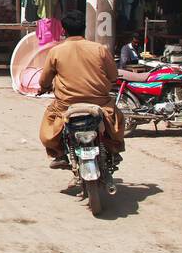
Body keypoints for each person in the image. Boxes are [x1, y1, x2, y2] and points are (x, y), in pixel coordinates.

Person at [38, 11, 126, 169]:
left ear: (64, 30)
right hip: (100, 103)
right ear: (84, 28)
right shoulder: (99, 49)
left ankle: (59, 154)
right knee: (118, 119)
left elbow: (44, 80)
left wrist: (43, 88)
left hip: (66, 105)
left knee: (49, 123)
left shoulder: (56, 51)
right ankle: (113, 150)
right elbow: (113, 76)